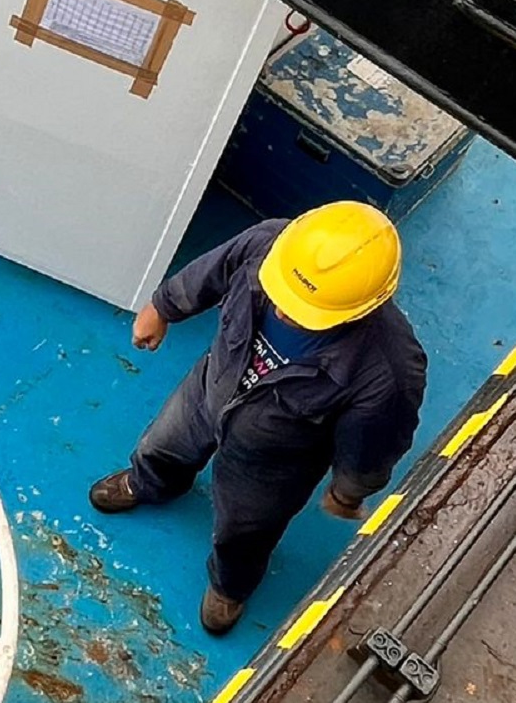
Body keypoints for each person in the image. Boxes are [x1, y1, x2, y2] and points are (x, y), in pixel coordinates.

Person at [89, 202, 427, 637]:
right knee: (162, 444)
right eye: (282, 292)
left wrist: (348, 491)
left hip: (275, 460)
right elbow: (212, 270)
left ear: (360, 309)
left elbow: (374, 443)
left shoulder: (388, 371)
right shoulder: (270, 243)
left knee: (247, 528)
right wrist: (163, 307)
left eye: (305, 311)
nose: (283, 311)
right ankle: (149, 482)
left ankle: (230, 586)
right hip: (210, 388)